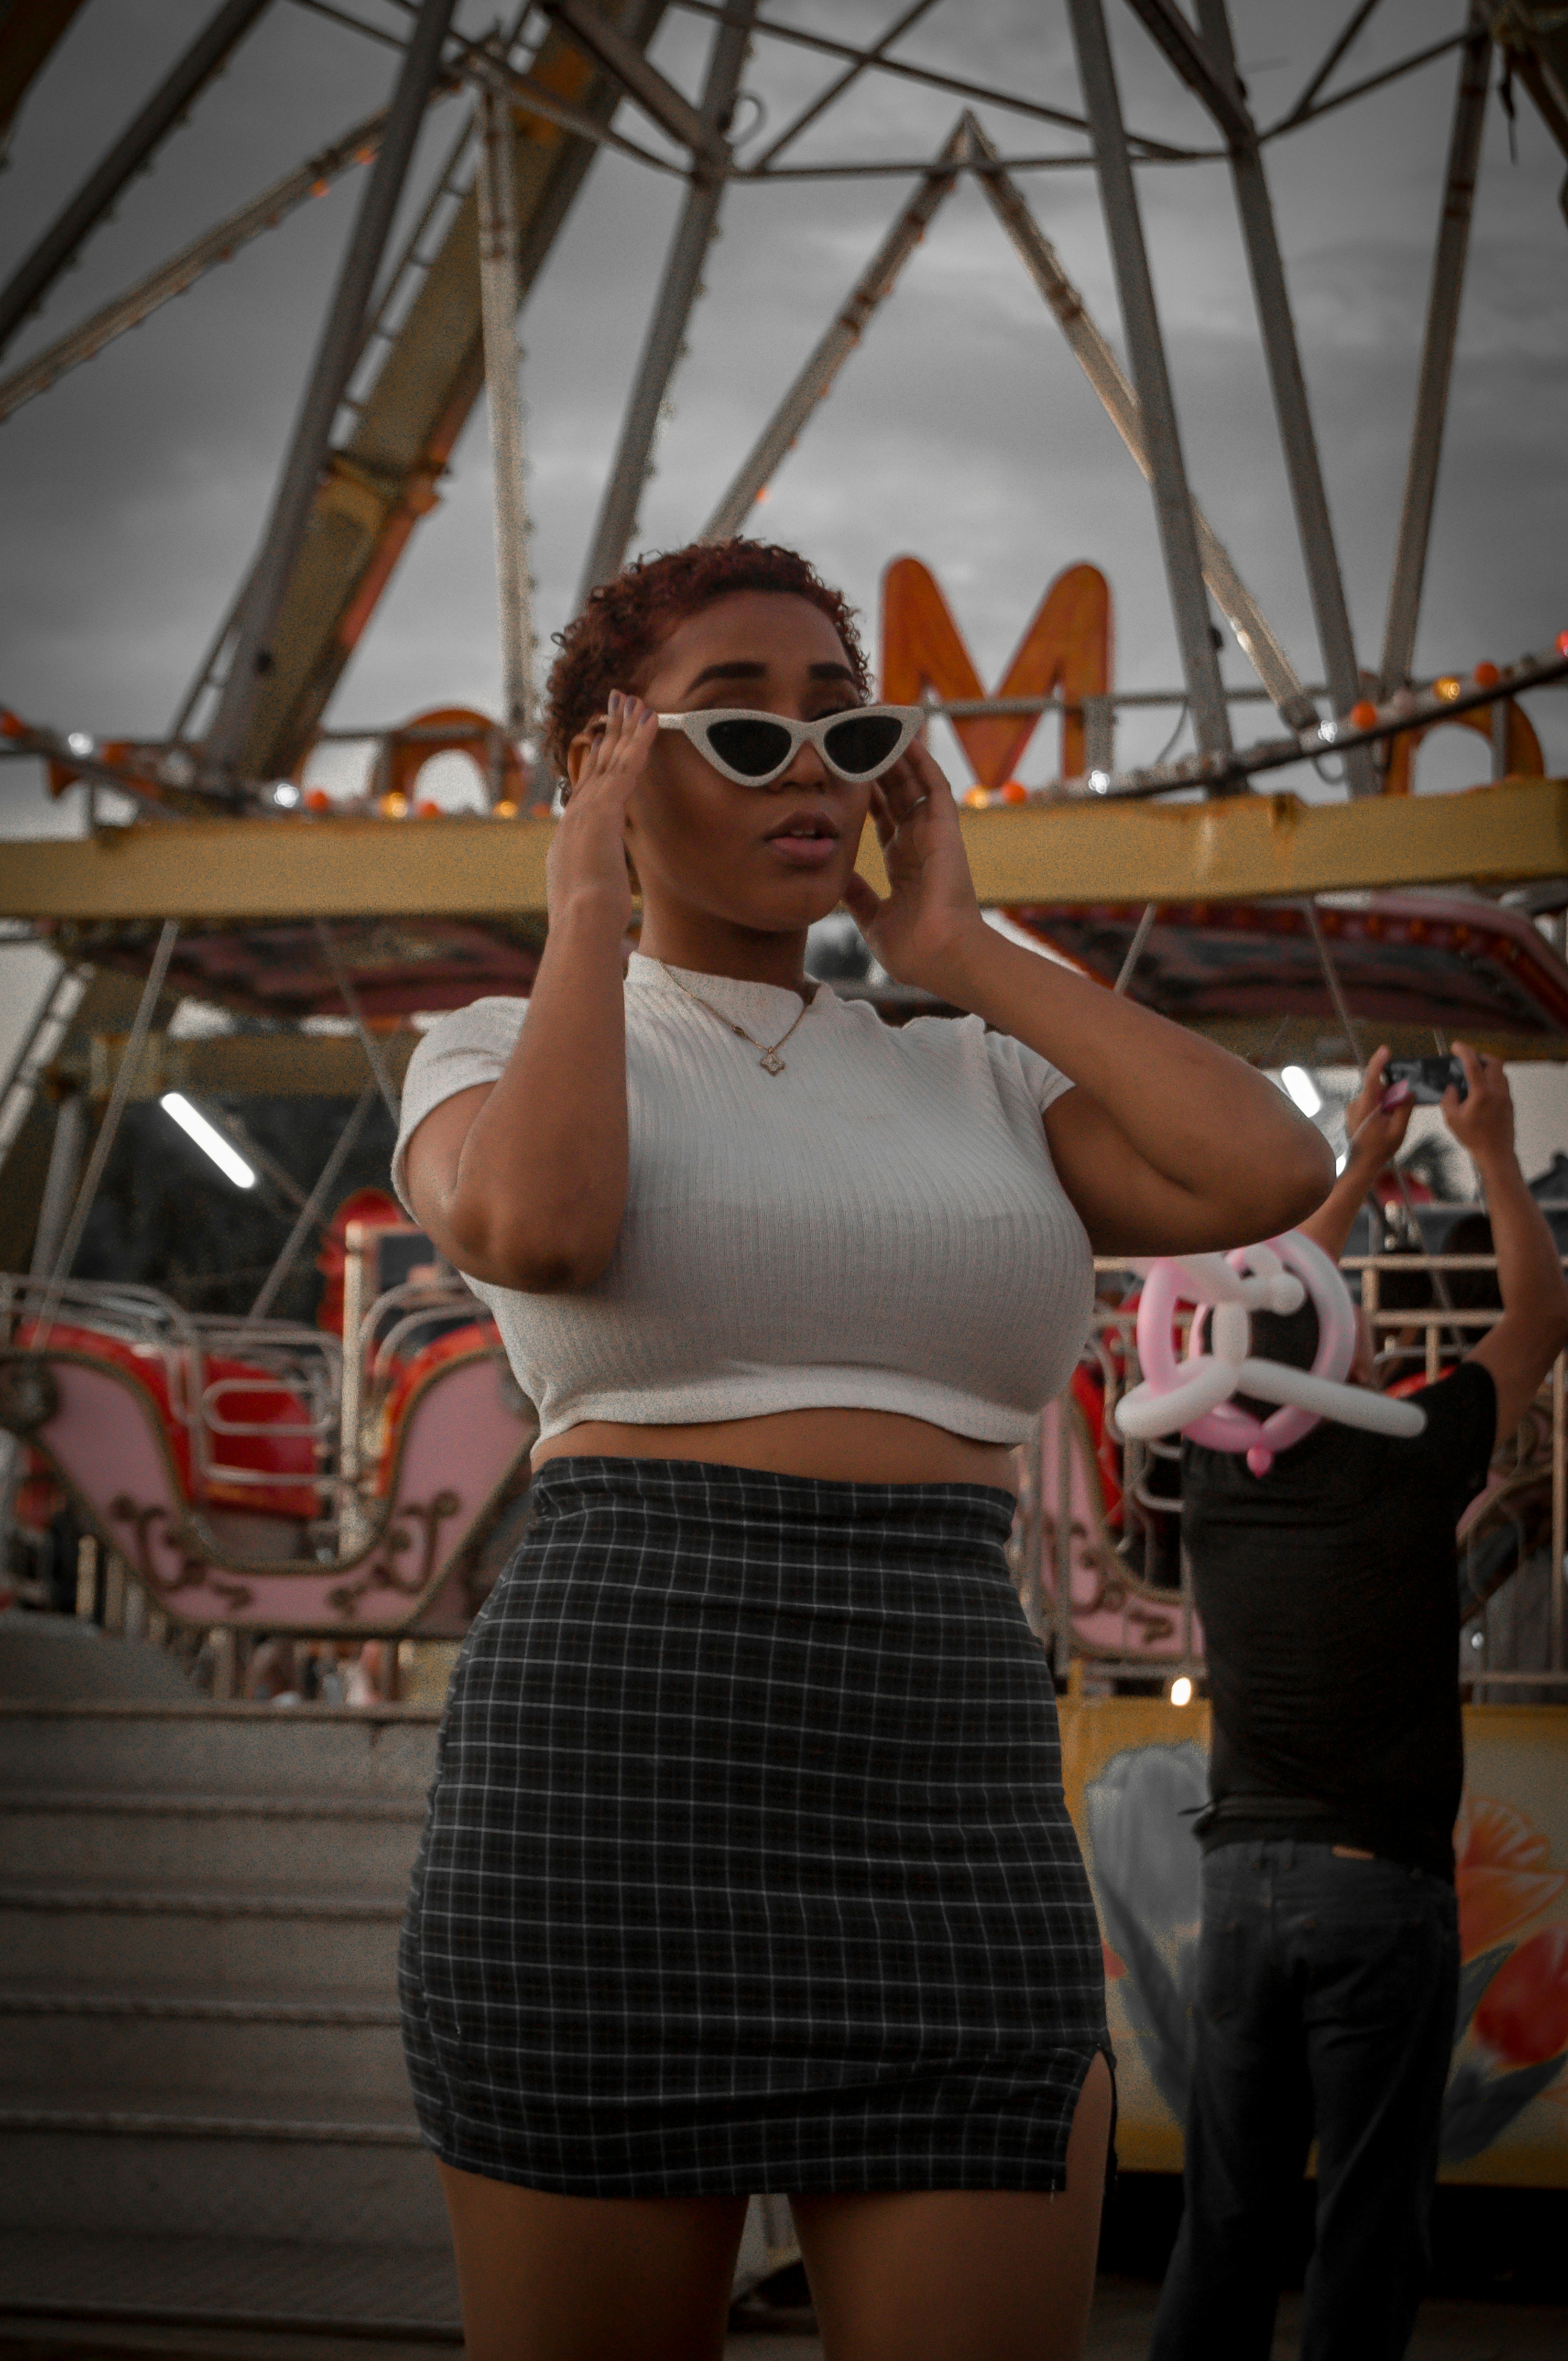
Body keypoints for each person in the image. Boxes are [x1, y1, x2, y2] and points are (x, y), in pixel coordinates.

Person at [391, 539, 1330, 2361]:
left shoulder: (969, 1067)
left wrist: (957, 948)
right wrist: (583, 905)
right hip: (608, 1779)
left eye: (846, 725)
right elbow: (542, 1224)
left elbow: (1260, 1171)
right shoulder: (497, 1047)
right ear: (606, 759)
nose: (809, 770)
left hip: (938, 1773)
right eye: (737, 731)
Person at [1150, 1043, 1568, 2361]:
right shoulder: (1404, 1457)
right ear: (1342, 1335)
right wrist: (1489, 1148)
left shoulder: (1208, 1479)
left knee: (1224, 2219)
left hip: (1238, 1884)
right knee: (1366, 2225)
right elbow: (1540, 1317)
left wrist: (1357, 1167)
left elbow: (1262, 1311)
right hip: (1371, 1885)